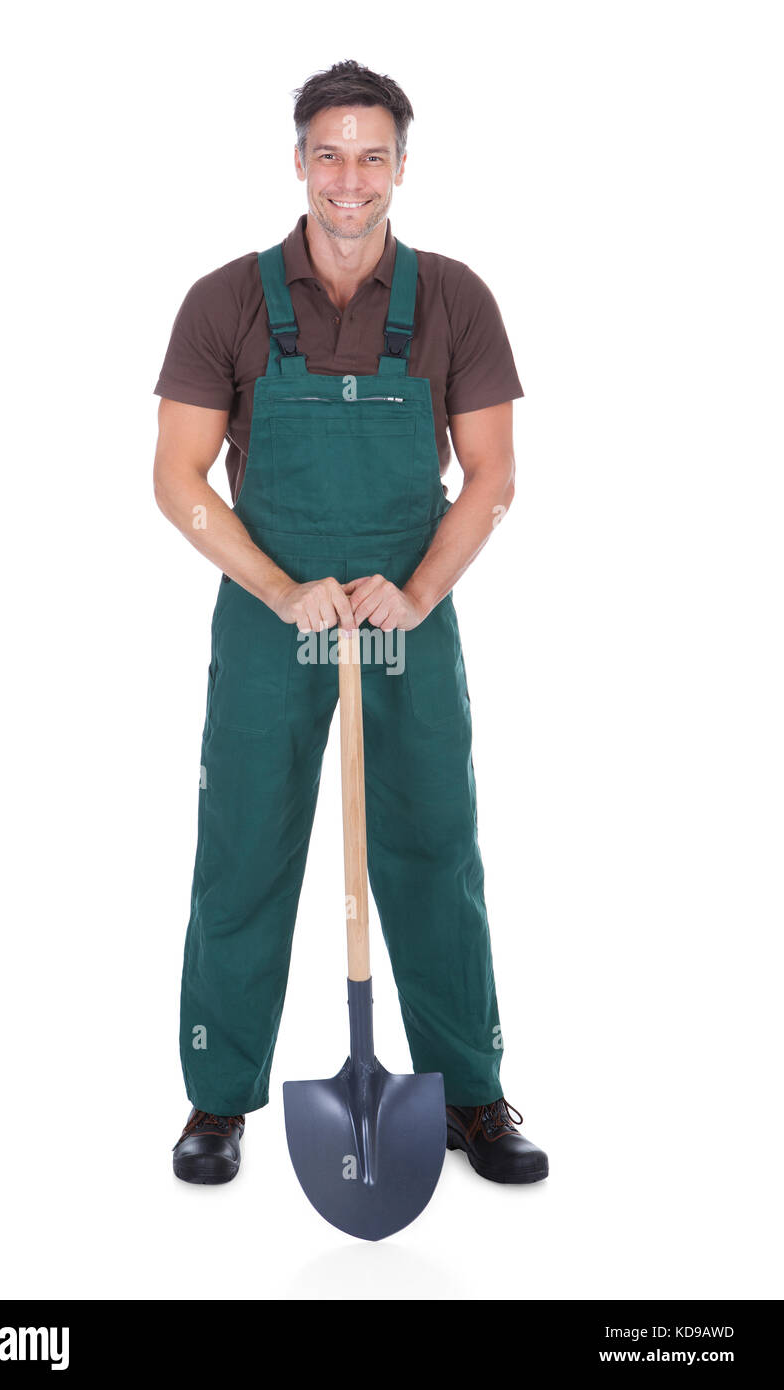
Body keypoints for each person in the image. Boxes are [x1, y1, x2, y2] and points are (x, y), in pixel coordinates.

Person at [153, 60, 548, 1189]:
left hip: (403, 617)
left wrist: (415, 593)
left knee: (432, 848)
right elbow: (176, 476)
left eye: (371, 154)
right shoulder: (226, 300)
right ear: (297, 161)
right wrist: (281, 589)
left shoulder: (455, 299)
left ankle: (469, 1094)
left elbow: (490, 478)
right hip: (270, 624)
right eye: (328, 151)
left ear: (401, 169)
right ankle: (216, 1098)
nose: (348, 176)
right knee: (242, 854)